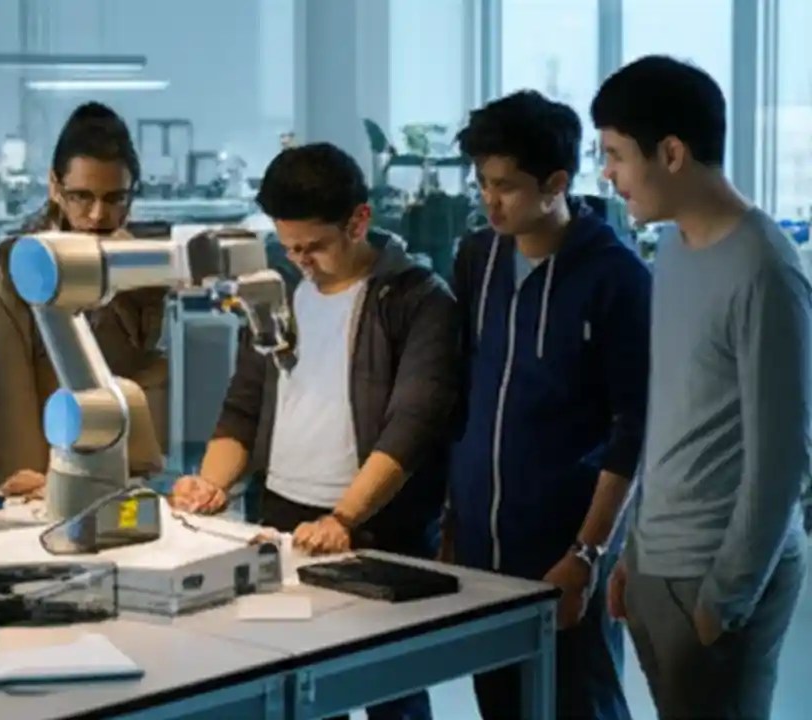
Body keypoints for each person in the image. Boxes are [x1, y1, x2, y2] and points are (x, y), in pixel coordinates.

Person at [170, 142, 460, 720]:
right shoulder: (278, 294)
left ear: (359, 220)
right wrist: (211, 485)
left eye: (316, 247)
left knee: (388, 692)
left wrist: (344, 518)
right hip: (281, 519)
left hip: (375, 528)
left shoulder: (419, 301)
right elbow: (243, 409)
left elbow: (412, 425)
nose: (302, 259)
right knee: (289, 690)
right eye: (290, 246)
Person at [593, 56, 811, 719]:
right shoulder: (675, 251)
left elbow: (780, 460)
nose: (607, 174)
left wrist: (726, 598)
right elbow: (673, 415)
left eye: (616, 155)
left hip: (718, 575)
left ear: (672, 152)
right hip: (659, 562)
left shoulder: (766, 270)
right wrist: (633, 546)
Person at [446, 90, 650, 720]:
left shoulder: (616, 277)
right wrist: (451, 522)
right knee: (499, 702)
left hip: (563, 546)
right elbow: (464, 395)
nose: (490, 199)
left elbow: (635, 426)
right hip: (481, 545)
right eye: (482, 182)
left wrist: (588, 554)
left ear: (557, 182)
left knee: (580, 702)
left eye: (505, 185)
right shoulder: (478, 258)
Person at [0, 102, 166, 496]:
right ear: (54, 186)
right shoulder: (17, 266)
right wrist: (30, 485)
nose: (98, 214)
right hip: (43, 473)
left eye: (116, 198)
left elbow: (153, 374)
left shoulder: (146, 267)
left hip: (126, 468)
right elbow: (12, 389)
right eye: (82, 196)